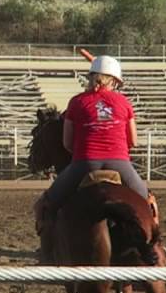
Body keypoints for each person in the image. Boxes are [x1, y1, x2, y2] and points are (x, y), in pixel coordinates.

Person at [32, 55, 155, 236]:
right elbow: (133, 142)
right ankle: (157, 247)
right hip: (120, 163)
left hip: (85, 162)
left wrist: (85, 153)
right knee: (148, 203)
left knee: (46, 203)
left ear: (91, 77)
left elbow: (67, 142)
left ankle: (48, 244)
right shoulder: (124, 103)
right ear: (113, 81)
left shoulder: (77, 102)